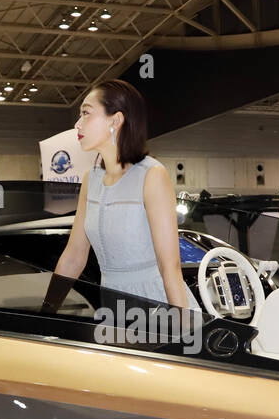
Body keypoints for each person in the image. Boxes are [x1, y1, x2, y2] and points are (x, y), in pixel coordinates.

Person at [43, 79, 201, 314]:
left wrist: (184, 328)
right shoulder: (91, 179)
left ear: (115, 120)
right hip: (113, 304)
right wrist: (46, 311)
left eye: (86, 113)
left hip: (157, 303)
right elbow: (74, 255)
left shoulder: (152, 175)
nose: (78, 124)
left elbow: (170, 267)